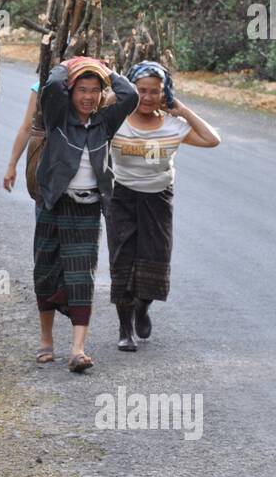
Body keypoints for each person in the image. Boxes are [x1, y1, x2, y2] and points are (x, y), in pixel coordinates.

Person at [33, 57, 138, 372]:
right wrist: (70, 64)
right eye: (82, 89)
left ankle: (78, 350)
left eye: (95, 90)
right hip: (53, 203)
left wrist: (107, 71)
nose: (88, 96)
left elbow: (130, 95)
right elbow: (51, 85)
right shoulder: (58, 117)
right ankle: (46, 342)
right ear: (71, 91)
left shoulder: (105, 122)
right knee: (46, 273)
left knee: (82, 277)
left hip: (88, 208)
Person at [107, 61, 221, 349]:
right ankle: (125, 330)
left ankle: (143, 307)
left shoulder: (173, 126)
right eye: (140, 91)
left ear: (164, 93)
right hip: (122, 197)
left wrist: (183, 110)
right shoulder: (116, 120)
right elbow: (92, 109)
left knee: (156, 258)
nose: (146, 98)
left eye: (154, 92)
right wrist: (116, 97)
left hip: (158, 199)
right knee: (122, 259)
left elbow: (212, 140)